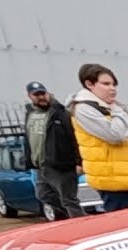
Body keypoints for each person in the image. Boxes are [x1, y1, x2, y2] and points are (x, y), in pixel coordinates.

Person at [69, 64, 128, 211]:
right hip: (115, 183)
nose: (112, 88)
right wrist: (118, 110)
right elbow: (116, 135)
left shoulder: (106, 108)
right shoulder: (85, 108)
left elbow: (115, 141)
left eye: (114, 84)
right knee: (125, 227)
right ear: (89, 84)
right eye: (106, 84)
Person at [23, 81, 84, 219]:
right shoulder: (30, 115)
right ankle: (77, 217)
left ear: (48, 93)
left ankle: (81, 223)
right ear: (29, 96)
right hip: (41, 166)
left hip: (61, 165)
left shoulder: (61, 114)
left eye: (42, 93)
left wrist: (79, 162)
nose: (41, 97)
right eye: (36, 94)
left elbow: (75, 138)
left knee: (69, 200)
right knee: (43, 194)